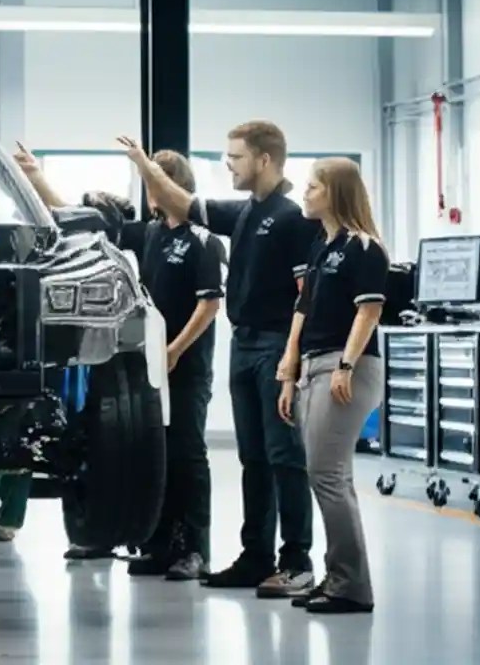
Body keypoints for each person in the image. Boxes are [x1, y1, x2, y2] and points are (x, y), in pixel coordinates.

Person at [121, 121, 321, 599]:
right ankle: (257, 556)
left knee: (284, 457)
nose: (228, 165)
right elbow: (184, 203)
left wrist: (291, 359)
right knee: (254, 457)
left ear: (264, 160)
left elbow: (306, 296)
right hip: (245, 344)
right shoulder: (244, 213)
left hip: (276, 346)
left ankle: (297, 560)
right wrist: (146, 169)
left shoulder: (293, 218)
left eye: (236, 157)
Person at [276, 157, 386, 614]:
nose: (305, 193)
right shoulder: (322, 247)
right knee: (328, 475)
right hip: (313, 365)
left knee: (327, 476)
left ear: (335, 192)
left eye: (313, 186)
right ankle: (340, 577)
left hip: (346, 368)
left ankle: (350, 586)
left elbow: (369, 311)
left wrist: (345, 364)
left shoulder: (364, 247)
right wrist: (289, 366)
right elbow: (303, 309)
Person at [115, 149, 225, 581]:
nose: (149, 193)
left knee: (187, 454)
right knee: (156, 454)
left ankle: (195, 549)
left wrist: (176, 349)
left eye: (153, 182)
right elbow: (91, 226)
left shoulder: (204, 240)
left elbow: (209, 305)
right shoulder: (150, 234)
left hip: (187, 366)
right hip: (150, 365)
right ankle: (160, 546)